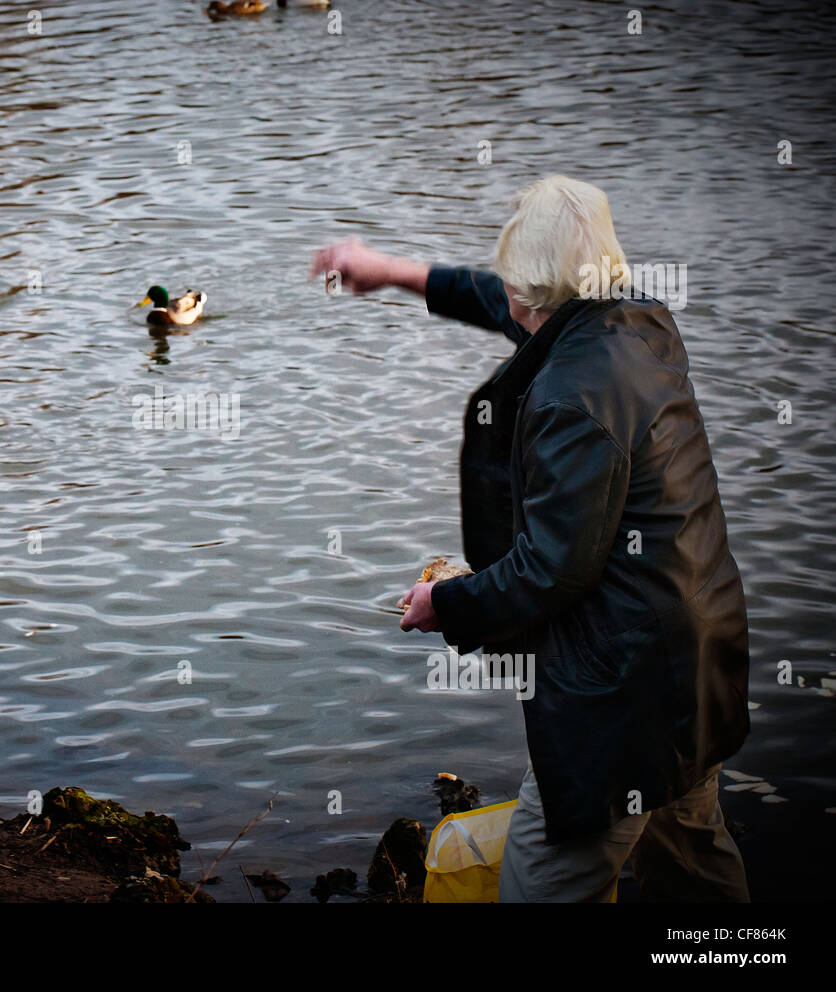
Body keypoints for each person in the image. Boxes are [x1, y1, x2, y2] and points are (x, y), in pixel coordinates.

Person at [311, 175, 751, 902]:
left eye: (516, 279)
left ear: (536, 292)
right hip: (697, 661)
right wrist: (391, 271)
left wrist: (445, 604)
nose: (508, 295)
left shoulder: (569, 396)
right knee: (693, 865)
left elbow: (553, 570)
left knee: (541, 884)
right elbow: (504, 302)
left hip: (622, 699)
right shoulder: (635, 324)